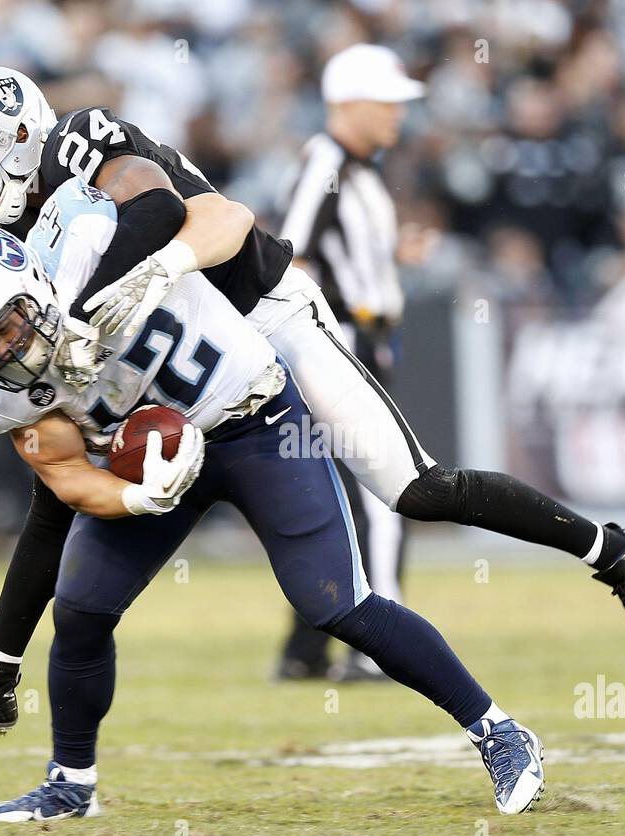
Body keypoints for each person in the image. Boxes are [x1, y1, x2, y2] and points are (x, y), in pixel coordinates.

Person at [0, 64, 625, 735]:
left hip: (262, 316)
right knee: (57, 479)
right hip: (174, 357)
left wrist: (89, 307)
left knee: (416, 487)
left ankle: (615, 551)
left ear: (17, 134)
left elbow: (159, 210)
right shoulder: (11, 236)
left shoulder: (78, 139)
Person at [0, 196, 544, 818]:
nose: (6, 351)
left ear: (30, 287)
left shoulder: (91, 241)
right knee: (79, 608)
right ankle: (70, 783)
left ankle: (497, 731)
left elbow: (223, 215)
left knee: (334, 602)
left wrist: (165, 263)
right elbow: (66, 474)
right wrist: (137, 495)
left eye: (9, 325)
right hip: (155, 458)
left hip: (253, 421)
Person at [271, 44, 421, 682]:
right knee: (388, 489)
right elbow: (291, 254)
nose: (397, 115)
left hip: (366, 340)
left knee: (341, 493)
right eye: (385, 102)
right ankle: (377, 642)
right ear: (348, 103)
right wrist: (322, 338)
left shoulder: (358, 170)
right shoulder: (328, 162)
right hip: (347, 344)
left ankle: (307, 648)